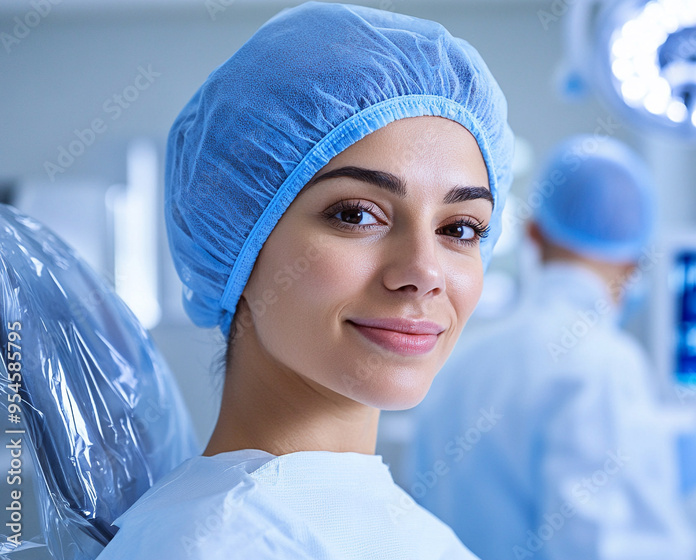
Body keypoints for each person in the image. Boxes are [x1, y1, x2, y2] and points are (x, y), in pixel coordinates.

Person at [96, 2, 513, 558]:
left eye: (460, 228)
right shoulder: (216, 543)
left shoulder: (373, 523)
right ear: (238, 234)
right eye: (356, 215)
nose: (424, 273)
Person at [406, 135, 696, 560]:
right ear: (635, 263)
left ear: (533, 233)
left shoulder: (455, 359)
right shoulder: (604, 363)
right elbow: (604, 547)